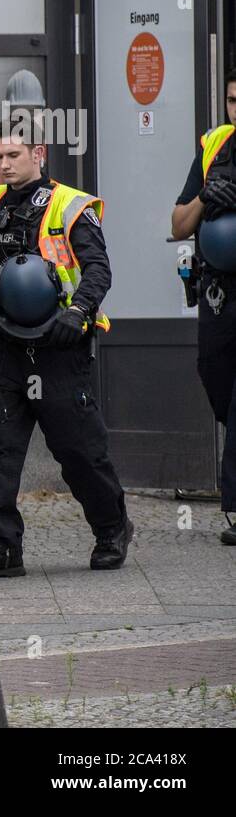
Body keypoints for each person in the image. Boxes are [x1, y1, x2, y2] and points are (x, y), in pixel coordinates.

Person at [0, 117, 131, 576]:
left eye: (13, 156)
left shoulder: (71, 206)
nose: (4, 166)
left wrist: (78, 313)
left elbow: (98, 270)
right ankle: (0, 546)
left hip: (58, 347)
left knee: (79, 450)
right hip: (3, 348)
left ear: (39, 154)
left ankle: (111, 528)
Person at [171, 68, 236, 544]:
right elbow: (178, 224)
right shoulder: (214, 147)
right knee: (216, 378)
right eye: (233, 100)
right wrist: (204, 196)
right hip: (217, 292)